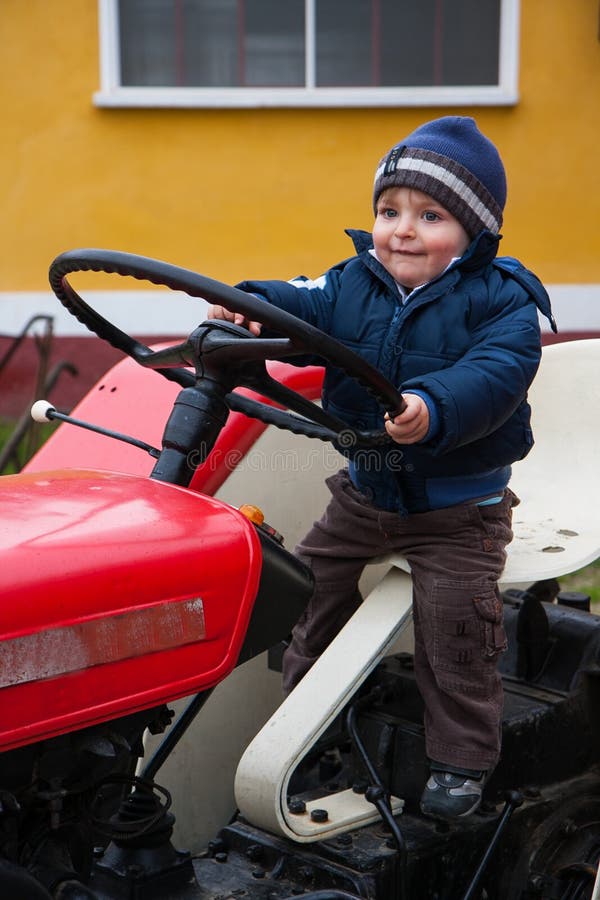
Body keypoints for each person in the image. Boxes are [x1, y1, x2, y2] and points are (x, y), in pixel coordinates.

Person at [207, 116, 556, 820]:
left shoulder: (503, 301)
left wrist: (433, 405)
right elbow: (302, 301)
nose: (402, 231)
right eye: (389, 211)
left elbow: (496, 373)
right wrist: (250, 307)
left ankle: (460, 761)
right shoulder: (353, 281)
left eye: (430, 216)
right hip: (364, 495)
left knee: (456, 630)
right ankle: (309, 726)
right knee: (305, 595)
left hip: (458, 511)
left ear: (476, 232)